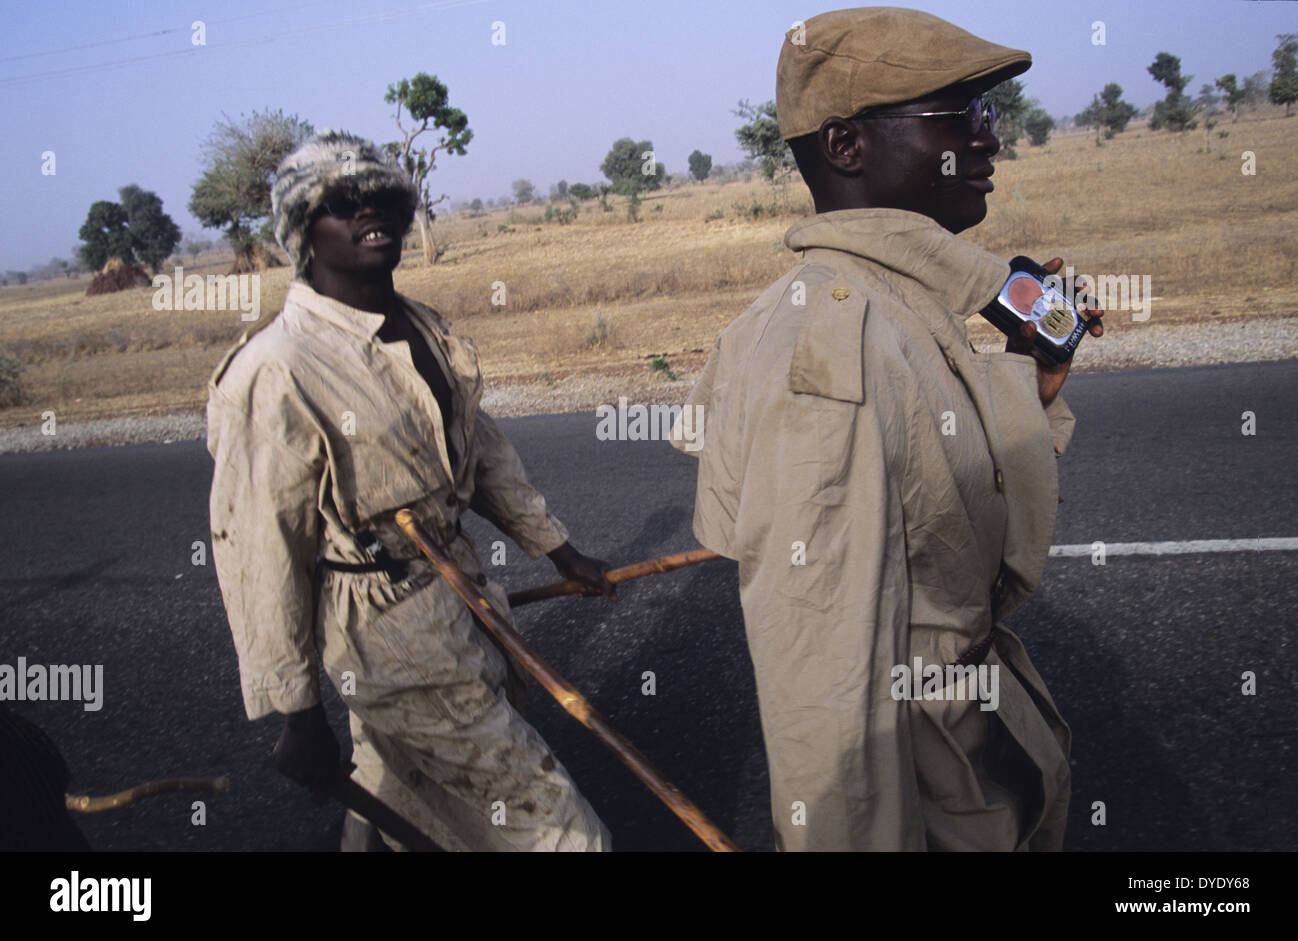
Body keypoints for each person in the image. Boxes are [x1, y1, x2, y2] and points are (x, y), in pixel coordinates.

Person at [673, 7, 1103, 850]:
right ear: (845, 145)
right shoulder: (832, 348)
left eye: (990, 114)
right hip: (922, 787)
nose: (990, 140)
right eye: (962, 114)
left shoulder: (893, 301)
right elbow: (826, 704)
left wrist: (1033, 384)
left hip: (968, 758)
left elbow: (938, 503)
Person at [207, 130, 614, 851]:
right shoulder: (279, 369)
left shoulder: (422, 326)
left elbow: (481, 452)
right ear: (303, 230)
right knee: (550, 820)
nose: (372, 213)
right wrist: (294, 708)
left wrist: (558, 549)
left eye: (385, 197)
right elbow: (259, 550)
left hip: (460, 591)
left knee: (406, 795)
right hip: (385, 627)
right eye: (341, 203)